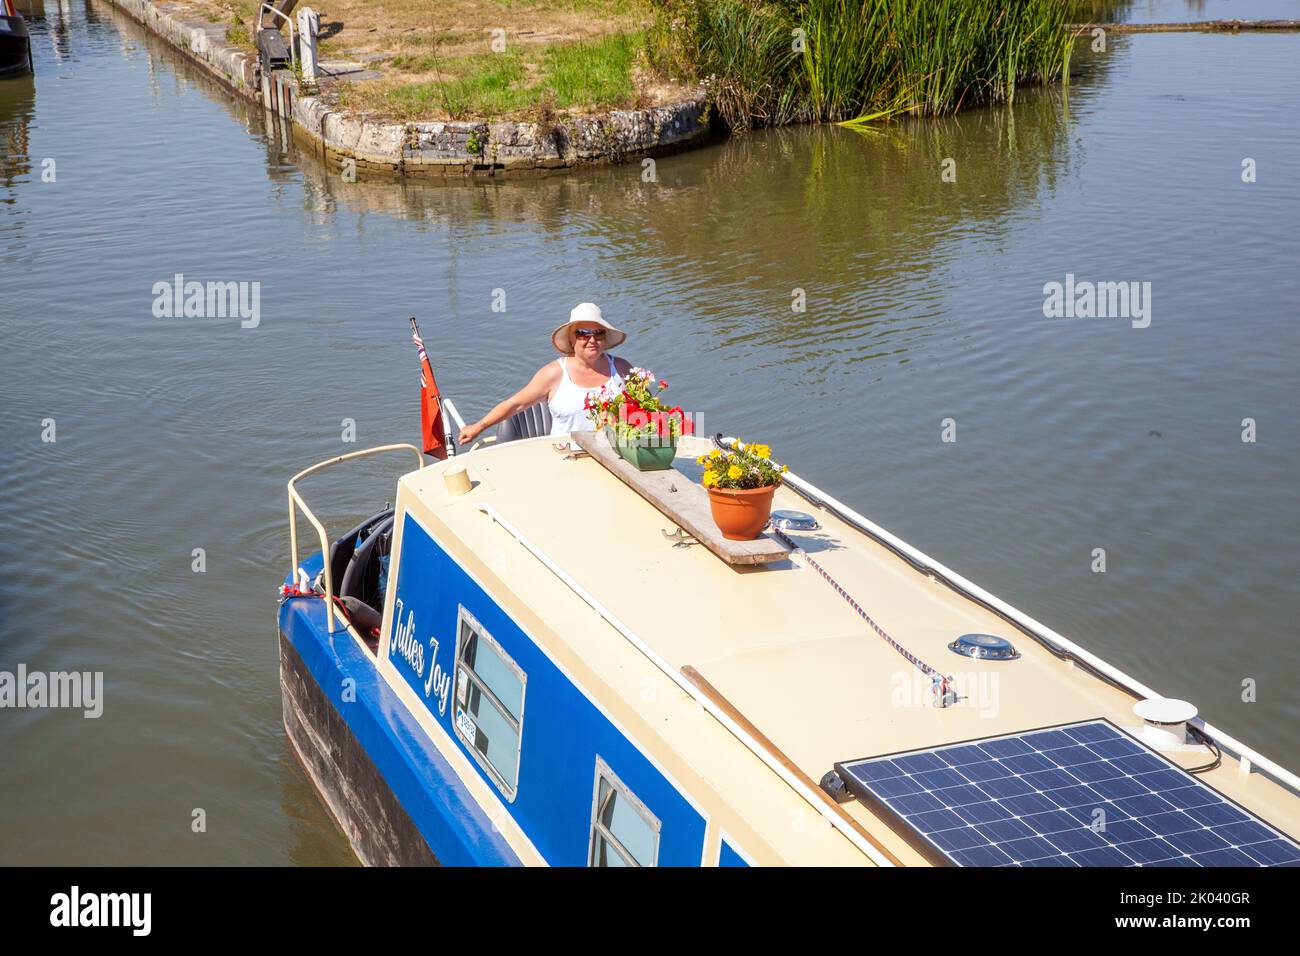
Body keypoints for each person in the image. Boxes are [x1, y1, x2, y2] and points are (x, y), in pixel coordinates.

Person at [457, 303, 634, 444]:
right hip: (566, 457)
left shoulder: (622, 369)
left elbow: (648, 410)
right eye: (583, 334)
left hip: (615, 455)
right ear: (571, 339)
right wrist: (479, 426)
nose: (592, 340)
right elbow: (515, 404)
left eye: (598, 333)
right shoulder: (553, 373)